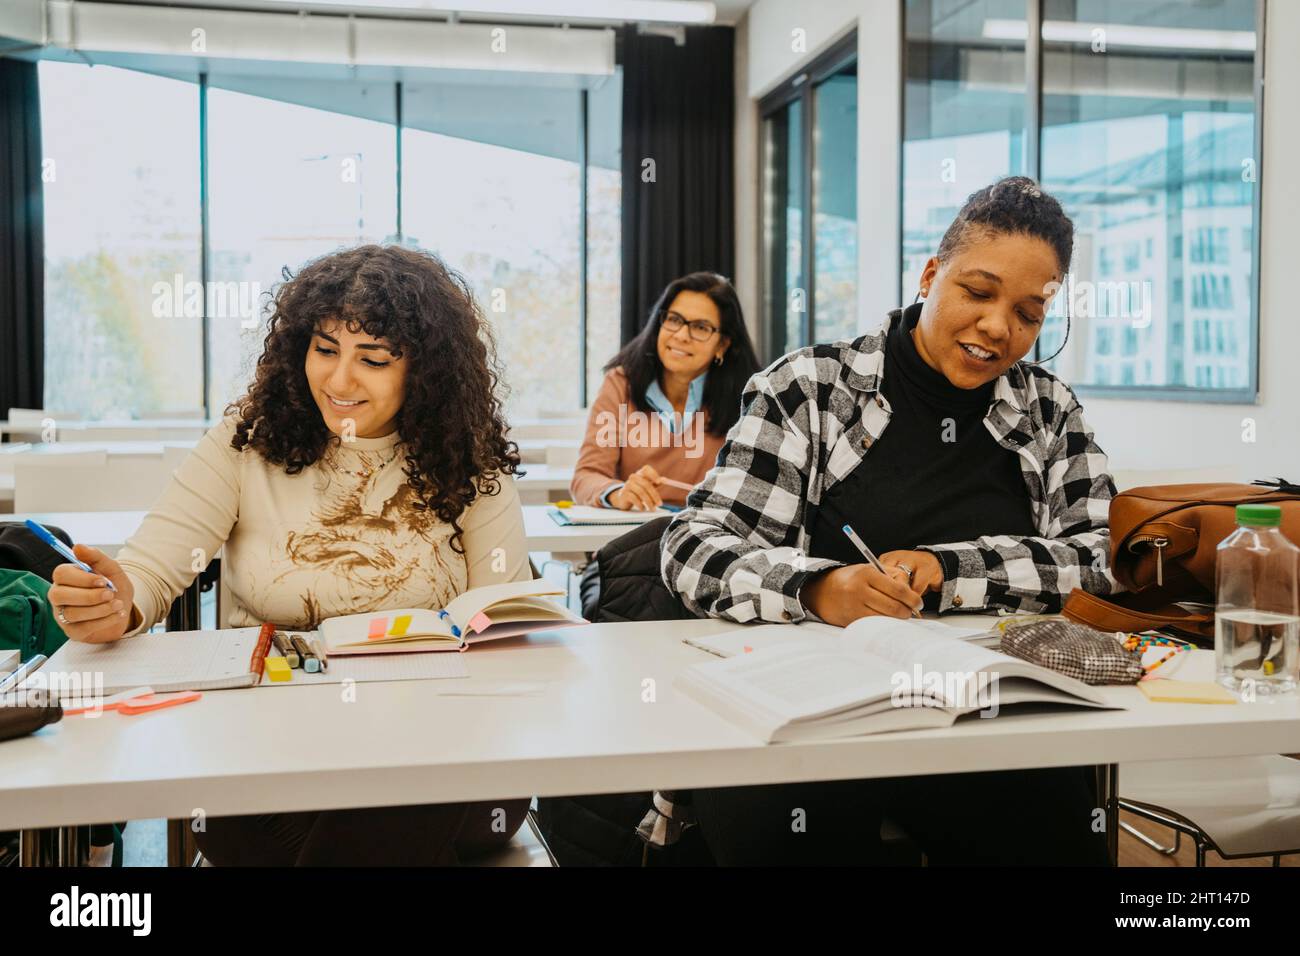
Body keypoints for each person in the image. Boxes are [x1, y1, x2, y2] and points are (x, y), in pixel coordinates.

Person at [662, 177, 1118, 865]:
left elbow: (1099, 557)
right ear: (931, 275)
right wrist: (818, 588)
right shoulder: (810, 388)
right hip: (819, 718)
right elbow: (693, 545)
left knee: (1062, 839)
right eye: (978, 291)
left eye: (1028, 313)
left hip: (987, 720)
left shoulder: (1048, 410)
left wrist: (950, 570)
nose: (999, 326)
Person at [45, 244, 532, 865]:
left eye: (373, 360)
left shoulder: (471, 461)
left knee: (396, 787)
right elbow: (149, 570)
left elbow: (498, 626)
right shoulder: (245, 444)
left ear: (426, 371)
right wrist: (117, 604)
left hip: (442, 751)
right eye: (324, 349)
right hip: (267, 748)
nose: (338, 380)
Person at [571, 272, 760, 511]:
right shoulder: (620, 383)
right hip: (631, 532)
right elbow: (587, 476)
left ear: (722, 345)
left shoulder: (748, 399)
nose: (681, 335)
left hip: (707, 536)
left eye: (701, 327)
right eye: (674, 319)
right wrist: (618, 493)